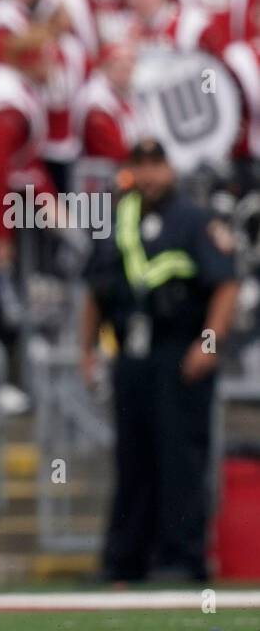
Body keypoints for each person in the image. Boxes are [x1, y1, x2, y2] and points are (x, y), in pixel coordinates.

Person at [81, 137, 240, 583]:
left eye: (156, 165)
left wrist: (208, 344)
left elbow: (226, 286)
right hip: (131, 354)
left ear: (170, 169)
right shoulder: (117, 221)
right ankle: (124, 559)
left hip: (179, 351)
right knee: (133, 458)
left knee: (179, 457)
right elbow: (95, 293)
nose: (149, 175)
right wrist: (87, 351)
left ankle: (182, 558)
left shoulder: (194, 220)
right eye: (140, 164)